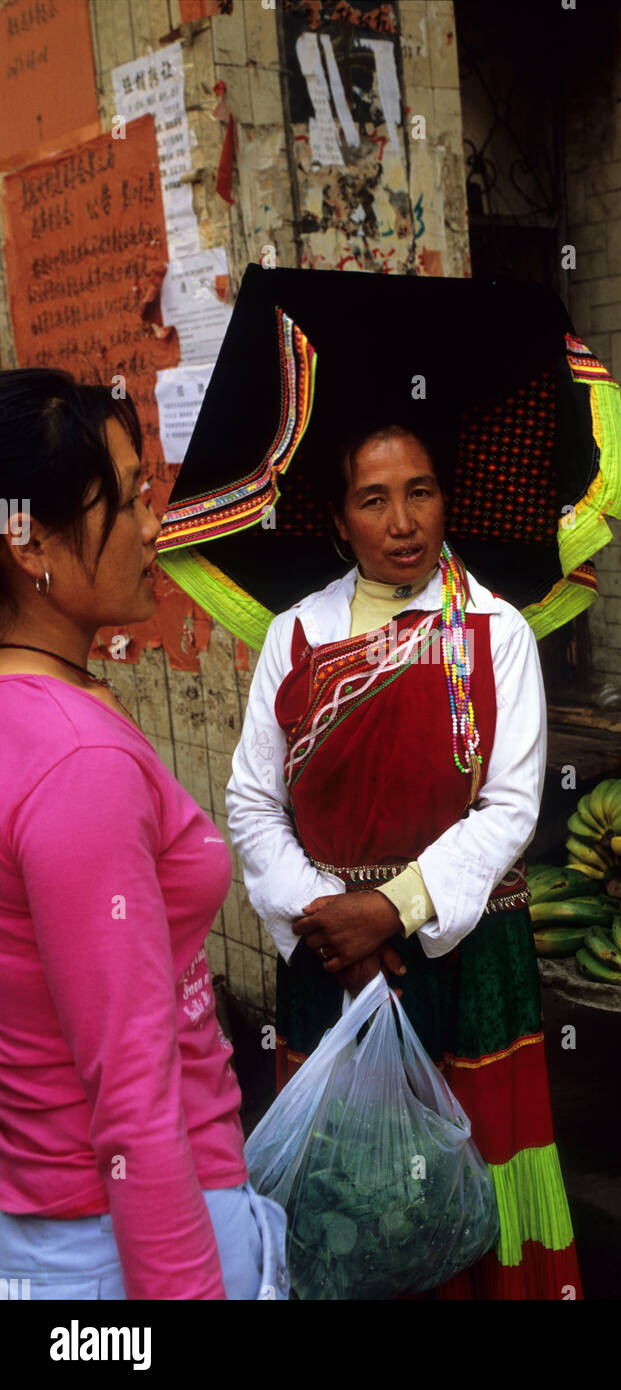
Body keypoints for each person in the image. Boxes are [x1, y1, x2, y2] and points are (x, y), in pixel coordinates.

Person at [227, 420, 583, 1299]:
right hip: (330, 958)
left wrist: (387, 912)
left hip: (461, 959)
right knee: (353, 1192)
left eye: (419, 492)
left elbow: (508, 807)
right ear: (338, 519)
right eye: (372, 499)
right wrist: (328, 921)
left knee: (470, 1175)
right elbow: (252, 801)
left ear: (445, 498)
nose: (401, 522)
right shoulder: (295, 636)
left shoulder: (494, 629)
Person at [0, 368, 287, 1300]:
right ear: (29, 538)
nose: (153, 525)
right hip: (129, 1241)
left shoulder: (33, 716)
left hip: (51, 1224)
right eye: (127, 500)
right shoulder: (76, 761)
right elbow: (131, 1094)